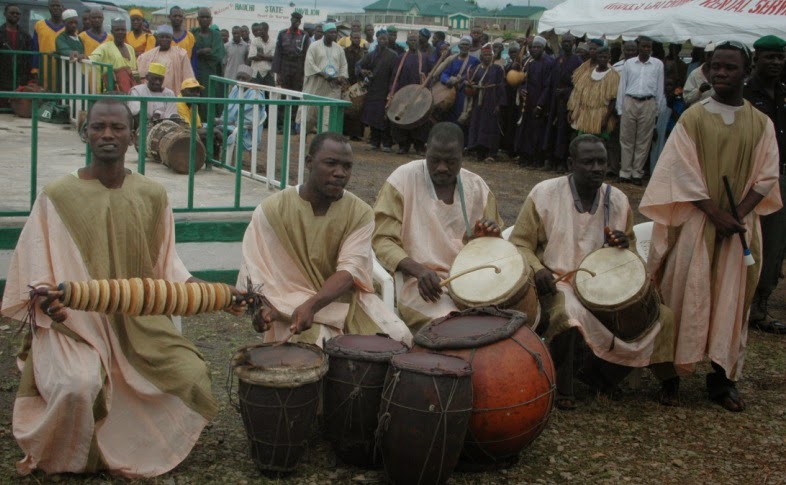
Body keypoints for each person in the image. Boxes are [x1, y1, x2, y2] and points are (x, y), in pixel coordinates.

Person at [1, 97, 236, 477]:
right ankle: (75, 459)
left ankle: (141, 446)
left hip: (138, 322)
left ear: (133, 136)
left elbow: (168, 267)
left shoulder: (152, 195)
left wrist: (215, 293)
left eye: (117, 128)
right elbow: (35, 276)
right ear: (85, 133)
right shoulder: (56, 196)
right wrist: (51, 306)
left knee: (190, 373)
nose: (107, 135)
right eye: (98, 127)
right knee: (79, 384)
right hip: (76, 324)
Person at [640, 41, 782, 411]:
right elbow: (679, 171)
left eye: (729, 68)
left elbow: (766, 177)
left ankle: (722, 381)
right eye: (715, 67)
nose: (720, 73)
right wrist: (715, 213)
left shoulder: (760, 123)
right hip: (696, 224)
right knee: (681, 294)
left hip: (738, 229)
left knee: (731, 302)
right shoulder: (693, 118)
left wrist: (736, 216)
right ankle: (669, 377)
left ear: (745, 71)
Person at [509, 134, 677, 410]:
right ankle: (563, 386)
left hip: (605, 284)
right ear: (571, 163)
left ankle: (605, 376)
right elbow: (519, 243)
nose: (597, 168)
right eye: (588, 162)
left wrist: (624, 246)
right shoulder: (544, 194)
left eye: (601, 162)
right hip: (559, 281)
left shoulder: (619, 200)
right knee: (568, 315)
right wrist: (537, 268)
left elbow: (632, 255)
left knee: (663, 316)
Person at [238, 132, 412, 346]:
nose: (340, 173)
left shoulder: (360, 212)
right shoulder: (271, 210)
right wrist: (262, 309)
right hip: (286, 303)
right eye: (331, 163)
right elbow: (255, 270)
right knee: (321, 344)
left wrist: (312, 305)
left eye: (347, 167)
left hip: (345, 301)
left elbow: (349, 272)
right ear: (309, 163)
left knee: (399, 339)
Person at [372, 122, 503, 331]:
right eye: (435, 160)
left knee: (501, 322)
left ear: (463, 154)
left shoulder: (478, 188)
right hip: (418, 284)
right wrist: (418, 270)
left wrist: (488, 238)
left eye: (451, 162)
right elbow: (382, 239)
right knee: (453, 324)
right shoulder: (402, 180)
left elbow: (496, 250)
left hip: (470, 281)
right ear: (425, 151)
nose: (442, 168)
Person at [744, 35, 786, 334]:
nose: (775, 62)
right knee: (752, 241)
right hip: (754, 179)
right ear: (755, 59)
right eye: (769, 57)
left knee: (774, 244)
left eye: (779, 57)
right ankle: (743, 303)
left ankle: (760, 305)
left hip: (781, 176)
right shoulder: (745, 94)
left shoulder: (783, 93)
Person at [616, 36, 665, 185]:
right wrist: (620, 108)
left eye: (649, 47)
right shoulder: (629, 64)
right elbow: (622, 86)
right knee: (626, 139)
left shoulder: (657, 64)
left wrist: (656, 110)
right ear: (639, 47)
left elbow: (659, 88)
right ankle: (625, 172)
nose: (646, 49)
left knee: (643, 140)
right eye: (643, 46)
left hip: (648, 102)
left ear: (651, 48)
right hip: (630, 100)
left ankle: (637, 173)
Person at [297, 22, 347, 133]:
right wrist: (323, 74)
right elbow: (309, 63)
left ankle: (324, 140)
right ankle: (303, 135)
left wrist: (342, 77)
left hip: (332, 86)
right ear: (325, 33)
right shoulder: (314, 46)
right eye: (331, 32)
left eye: (335, 32)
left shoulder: (339, 49)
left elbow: (343, 65)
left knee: (328, 116)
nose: (334, 35)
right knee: (310, 113)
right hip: (315, 85)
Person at [389, 33, 434, 155]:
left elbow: (431, 75)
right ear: (407, 43)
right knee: (402, 118)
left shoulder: (425, 58)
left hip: (419, 95)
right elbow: (395, 76)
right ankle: (403, 145)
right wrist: (392, 92)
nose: (413, 42)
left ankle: (419, 146)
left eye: (415, 40)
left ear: (418, 42)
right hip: (403, 94)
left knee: (419, 119)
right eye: (411, 40)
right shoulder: (401, 57)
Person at [544, 33, 582, 172]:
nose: (566, 44)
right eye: (564, 41)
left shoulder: (577, 61)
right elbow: (550, 81)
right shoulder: (557, 60)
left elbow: (579, 85)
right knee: (552, 131)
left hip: (568, 103)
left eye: (569, 42)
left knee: (563, 132)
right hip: (554, 102)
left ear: (573, 43)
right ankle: (551, 159)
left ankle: (562, 161)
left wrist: (566, 91)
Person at [515, 35, 554, 169]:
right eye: (533, 47)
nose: (535, 49)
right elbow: (522, 79)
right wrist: (521, 89)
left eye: (538, 47)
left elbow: (548, 86)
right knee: (525, 130)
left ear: (543, 48)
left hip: (539, 103)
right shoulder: (528, 61)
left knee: (538, 132)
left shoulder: (548, 63)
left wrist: (540, 104)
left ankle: (537, 160)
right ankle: (525, 157)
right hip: (527, 102)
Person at [567, 46, 619, 139]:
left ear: (609, 58)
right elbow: (578, 92)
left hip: (601, 115)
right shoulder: (588, 72)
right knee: (583, 142)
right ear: (596, 57)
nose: (602, 59)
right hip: (585, 115)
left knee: (598, 144)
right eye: (600, 57)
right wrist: (572, 110)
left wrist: (606, 119)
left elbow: (613, 100)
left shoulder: (613, 75)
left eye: (605, 57)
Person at [466, 44, 506, 163]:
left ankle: (491, 153)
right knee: (478, 125)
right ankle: (480, 152)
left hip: (492, 101)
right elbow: (469, 84)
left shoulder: (497, 69)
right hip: (478, 103)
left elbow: (501, 87)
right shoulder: (476, 69)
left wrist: (500, 104)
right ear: (481, 56)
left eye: (489, 55)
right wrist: (470, 87)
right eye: (485, 55)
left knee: (491, 126)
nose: (487, 57)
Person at [358, 29, 397, 152]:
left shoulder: (393, 56)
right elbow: (359, 66)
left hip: (387, 90)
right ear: (377, 39)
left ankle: (386, 143)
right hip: (373, 89)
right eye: (380, 39)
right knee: (373, 118)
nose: (383, 41)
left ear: (387, 40)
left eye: (385, 39)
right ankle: (375, 142)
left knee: (385, 118)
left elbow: (395, 75)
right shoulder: (371, 54)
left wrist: (392, 91)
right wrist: (363, 71)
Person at [272, 11, 310, 129]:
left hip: (298, 68)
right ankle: (281, 125)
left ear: (299, 22)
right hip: (285, 66)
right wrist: (277, 72)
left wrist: (304, 73)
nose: (295, 23)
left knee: (296, 96)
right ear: (291, 20)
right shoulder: (283, 34)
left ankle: (293, 125)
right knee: (283, 96)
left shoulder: (304, 36)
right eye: (293, 20)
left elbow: (306, 55)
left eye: (297, 21)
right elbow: (278, 53)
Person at [137, 25, 194, 96]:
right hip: (151, 95)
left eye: (167, 37)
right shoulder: (147, 56)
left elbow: (188, 77)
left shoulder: (181, 54)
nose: (164, 39)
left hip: (174, 95)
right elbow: (141, 76)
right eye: (162, 37)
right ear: (157, 38)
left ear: (171, 39)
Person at [223, 65, 266, 153]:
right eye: (238, 78)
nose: (241, 81)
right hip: (228, 125)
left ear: (250, 81)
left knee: (215, 133)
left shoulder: (255, 95)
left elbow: (248, 122)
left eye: (244, 78)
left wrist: (223, 122)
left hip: (245, 132)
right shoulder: (236, 88)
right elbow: (227, 111)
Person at [438, 36, 479, 126]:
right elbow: (444, 74)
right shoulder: (452, 59)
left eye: (467, 45)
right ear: (459, 46)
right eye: (462, 45)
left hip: (464, 95)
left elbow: (476, 76)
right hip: (450, 93)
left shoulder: (475, 61)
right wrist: (448, 80)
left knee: (462, 119)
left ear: (470, 47)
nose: (464, 47)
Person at [89, 18, 137, 94]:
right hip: (112, 91)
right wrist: (83, 57)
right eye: (117, 30)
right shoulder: (104, 47)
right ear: (112, 32)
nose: (120, 32)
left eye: (123, 30)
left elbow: (134, 70)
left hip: (129, 91)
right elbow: (92, 58)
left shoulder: (130, 48)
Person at [191, 8, 225, 113]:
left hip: (212, 72)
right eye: (202, 17)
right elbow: (188, 51)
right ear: (198, 19)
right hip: (195, 72)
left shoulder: (216, 35)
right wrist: (201, 52)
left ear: (211, 19)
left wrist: (198, 53)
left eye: (207, 17)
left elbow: (217, 55)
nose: (205, 19)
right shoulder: (193, 33)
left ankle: (210, 124)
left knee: (211, 97)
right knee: (195, 96)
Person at [0, 3, 33, 102]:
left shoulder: (25, 36)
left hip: (20, 76)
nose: (15, 15)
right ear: (5, 14)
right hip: (2, 76)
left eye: (17, 13)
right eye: (12, 13)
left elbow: (29, 57)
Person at [31, 0, 64, 90]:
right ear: (48, 8)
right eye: (53, 6)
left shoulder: (69, 27)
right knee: (45, 96)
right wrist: (35, 69)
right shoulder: (39, 25)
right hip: (44, 68)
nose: (55, 8)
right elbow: (35, 48)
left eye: (58, 6)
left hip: (63, 69)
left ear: (62, 7)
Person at [342, 30, 367, 140]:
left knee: (358, 108)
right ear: (350, 38)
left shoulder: (364, 53)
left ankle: (356, 134)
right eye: (355, 38)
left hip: (359, 84)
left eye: (358, 38)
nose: (357, 40)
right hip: (348, 82)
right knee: (347, 108)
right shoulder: (345, 51)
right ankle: (345, 131)